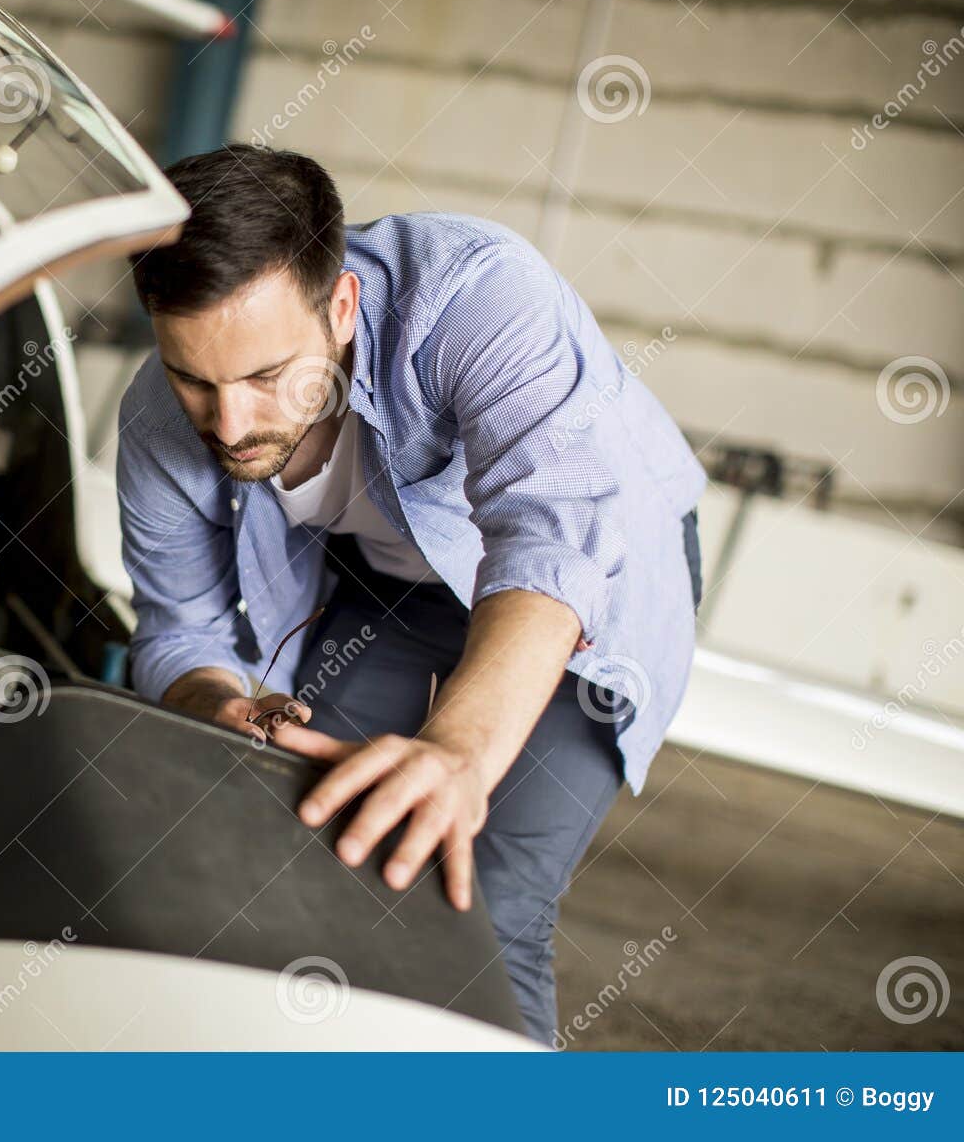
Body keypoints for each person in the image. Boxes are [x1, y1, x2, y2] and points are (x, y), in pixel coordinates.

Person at [115, 144, 706, 1045]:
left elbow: (554, 538)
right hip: (393, 591)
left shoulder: (477, 296)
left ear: (342, 305)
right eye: (194, 378)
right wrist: (218, 701)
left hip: (593, 574)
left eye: (267, 378)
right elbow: (176, 629)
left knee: (483, 904)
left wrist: (460, 752)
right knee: (319, 848)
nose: (227, 426)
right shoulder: (158, 427)